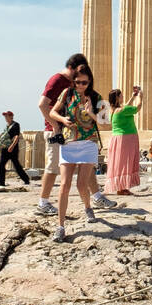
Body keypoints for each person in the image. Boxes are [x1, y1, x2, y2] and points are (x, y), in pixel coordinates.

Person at [47, 66, 106, 242]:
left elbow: (106, 124)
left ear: (89, 82)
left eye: (84, 82)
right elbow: (52, 112)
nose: (80, 85)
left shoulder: (97, 98)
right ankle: (60, 227)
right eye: (77, 82)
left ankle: (88, 207)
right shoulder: (66, 93)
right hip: (68, 143)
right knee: (64, 185)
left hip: (88, 145)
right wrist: (62, 119)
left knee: (81, 184)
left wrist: (91, 114)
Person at [36, 53, 89, 215]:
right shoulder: (57, 80)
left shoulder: (69, 82)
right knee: (52, 168)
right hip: (55, 132)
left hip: (68, 132)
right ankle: (43, 203)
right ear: (72, 68)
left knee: (85, 163)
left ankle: (96, 196)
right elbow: (42, 104)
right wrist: (55, 126)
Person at [106, 86, 143, 195]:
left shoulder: (113, 110)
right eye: (121, 95)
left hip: (117, 139)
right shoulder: (123, 110)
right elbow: (137, 108)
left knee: (119, 163)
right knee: (126, 162)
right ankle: (123, 188)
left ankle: (120, 187)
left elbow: (125, 107)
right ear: (117, 98)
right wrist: (141, 97)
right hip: (127, 138)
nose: (123, 96)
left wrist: (132, 97)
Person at [0, 110, 30, 187]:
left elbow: (16, 136)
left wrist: (12, 146)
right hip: (5, 148)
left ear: (11, 116)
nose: (5, 118)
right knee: (2, 164)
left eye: (7, 116)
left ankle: (26, 179)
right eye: (5, 116)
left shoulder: (15, 125)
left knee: (16, 165)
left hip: (12, 149)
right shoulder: (7, 126)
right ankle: (1, 182)